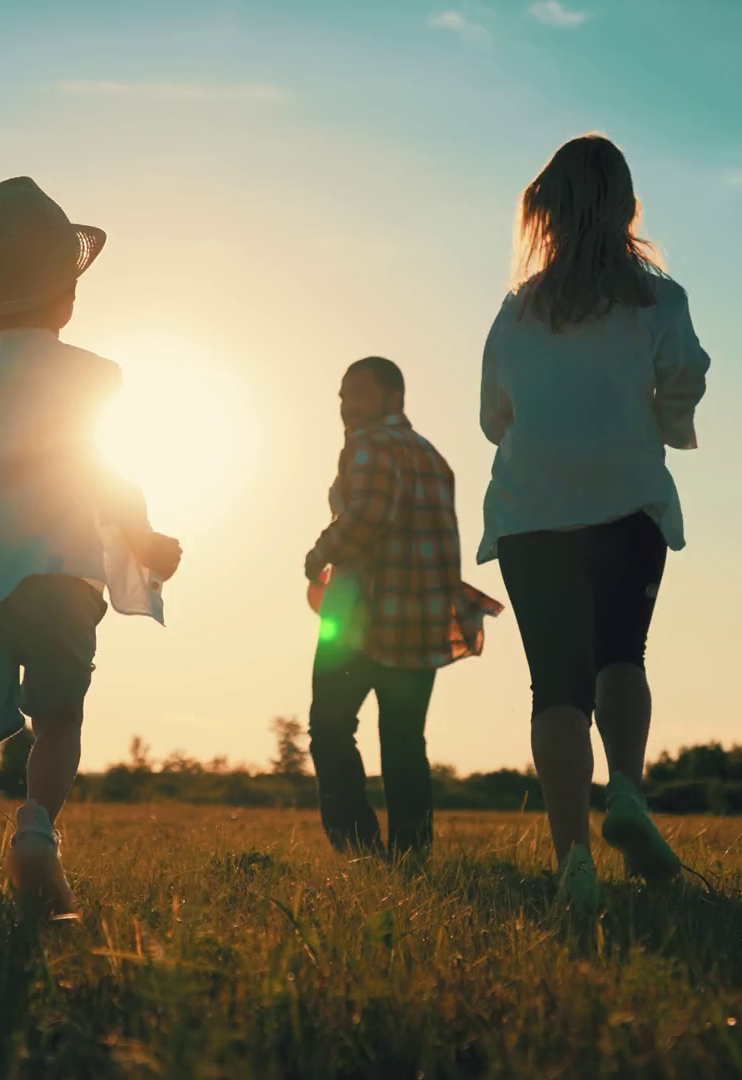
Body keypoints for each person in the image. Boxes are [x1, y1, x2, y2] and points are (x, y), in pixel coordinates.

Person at [0, 177, 183, 924]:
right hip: (56, 579)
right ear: (68, 294)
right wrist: (144, 541)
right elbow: (107, 473)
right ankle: (36, 827)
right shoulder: (94, 375)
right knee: (57, 722)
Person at [478, 134, 711, 911]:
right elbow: (686, 380)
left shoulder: (517, 312)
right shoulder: (659, 301)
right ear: (625, 206)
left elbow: (493, 418)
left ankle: (574, 862)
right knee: (622, 656)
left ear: (545, 211)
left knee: (555, 687)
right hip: (626, 500)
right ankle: (630, 794)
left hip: (531, 509)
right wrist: (663, 424)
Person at [303, 357, 502, 859]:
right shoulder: (433, 456)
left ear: (394, 398)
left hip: (360, 621)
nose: (348, 407)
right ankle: (412, 854)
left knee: (329, 728)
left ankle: (360, 848)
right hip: (423, 623)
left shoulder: (370, 444)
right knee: (405, 741)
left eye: (360, 395)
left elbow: (367, 513)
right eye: (343, 396)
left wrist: (318, 555)